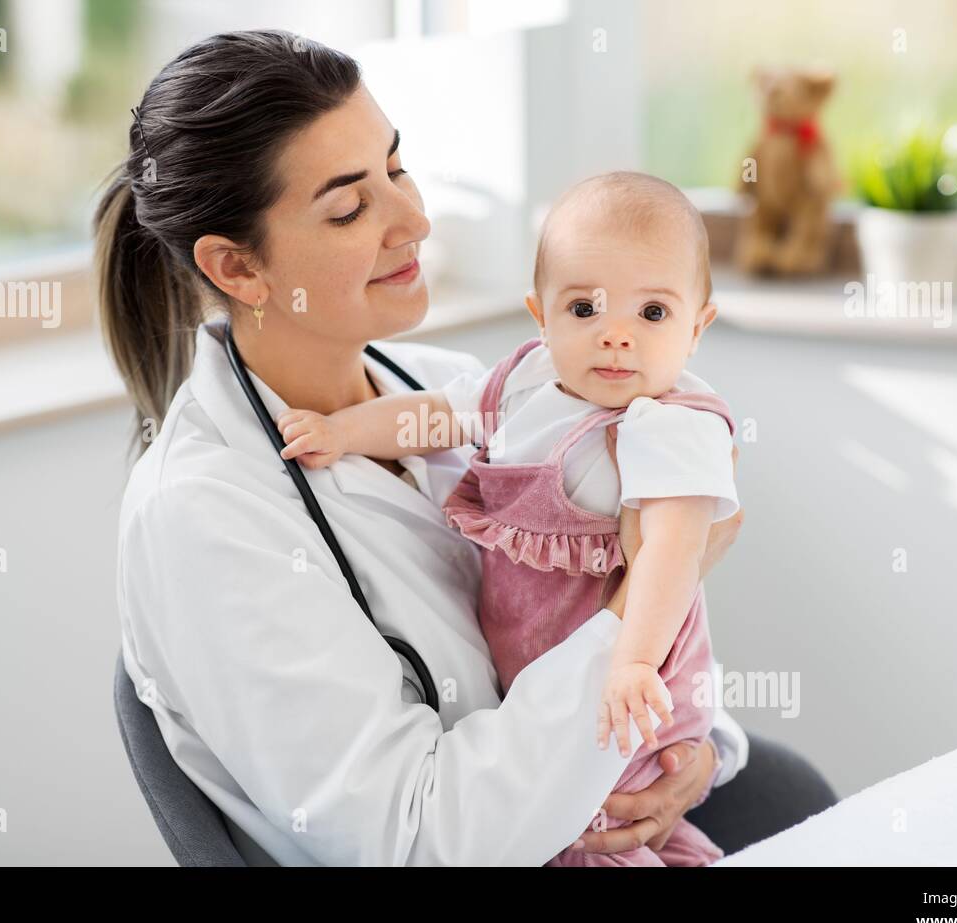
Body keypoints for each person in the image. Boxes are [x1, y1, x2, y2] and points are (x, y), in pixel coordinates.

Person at [96, 29, 834, 866]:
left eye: (397, 169)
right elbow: (420, 839)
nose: (414, 220)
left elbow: (557, 620)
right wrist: (649, 592)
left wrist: (693, 759)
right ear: (238, 269)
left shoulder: (451, 388)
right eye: (349, 208)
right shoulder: (201, 516)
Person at [274, 172, 737, 866]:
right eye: (585, 309)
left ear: (696, 327)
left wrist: (635, 660)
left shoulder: (669, 424)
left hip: (631, 692)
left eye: (652, 314)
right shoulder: (523, 383)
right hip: (529, 679)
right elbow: (436, 416)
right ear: (540, 315)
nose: (615, 337)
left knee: (598, 831)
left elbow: (673, 551)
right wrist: (343, 432)